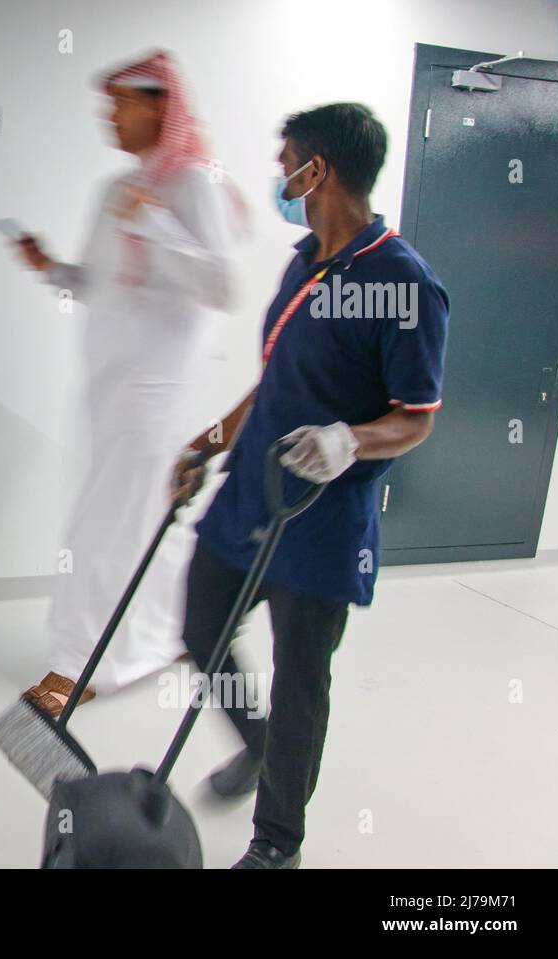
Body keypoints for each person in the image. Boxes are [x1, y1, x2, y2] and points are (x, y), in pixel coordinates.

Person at [172, 102, 449, 868]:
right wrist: (204, 444)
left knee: (300, 680)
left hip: (321, 516)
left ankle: (275, 843)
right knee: (201, 627)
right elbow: (275, 382)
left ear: (316, 170)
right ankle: (258, 744)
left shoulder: (404, 281)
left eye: (285, 159)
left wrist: (349, 440)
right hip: (249, 491)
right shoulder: (306, 261)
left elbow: (418, 416)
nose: (279, 175)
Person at [11, 50, 246, 716]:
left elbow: (224, 284)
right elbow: (96, 284)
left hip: (156, 394)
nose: (109, 115)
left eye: (121, 103)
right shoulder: (119, 189)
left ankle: (83, 664)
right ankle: (160, 635)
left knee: (112, 526)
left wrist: (154, 221)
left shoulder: (193, 183)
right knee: (134, 520)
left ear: (160, 106)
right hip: (109, 387)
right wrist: (50, 267)